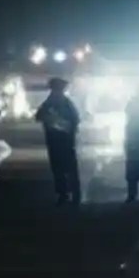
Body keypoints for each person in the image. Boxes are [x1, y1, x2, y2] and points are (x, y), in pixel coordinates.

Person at [34, 77, 82, 205]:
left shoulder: (61, 103)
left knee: (65, 168)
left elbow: (75, 120)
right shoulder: (54, 103)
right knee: (61, 168)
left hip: (62, 140)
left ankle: (70, 194)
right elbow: (39, 116)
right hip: (59, 140)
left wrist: (61, 124)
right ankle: (67, 193)